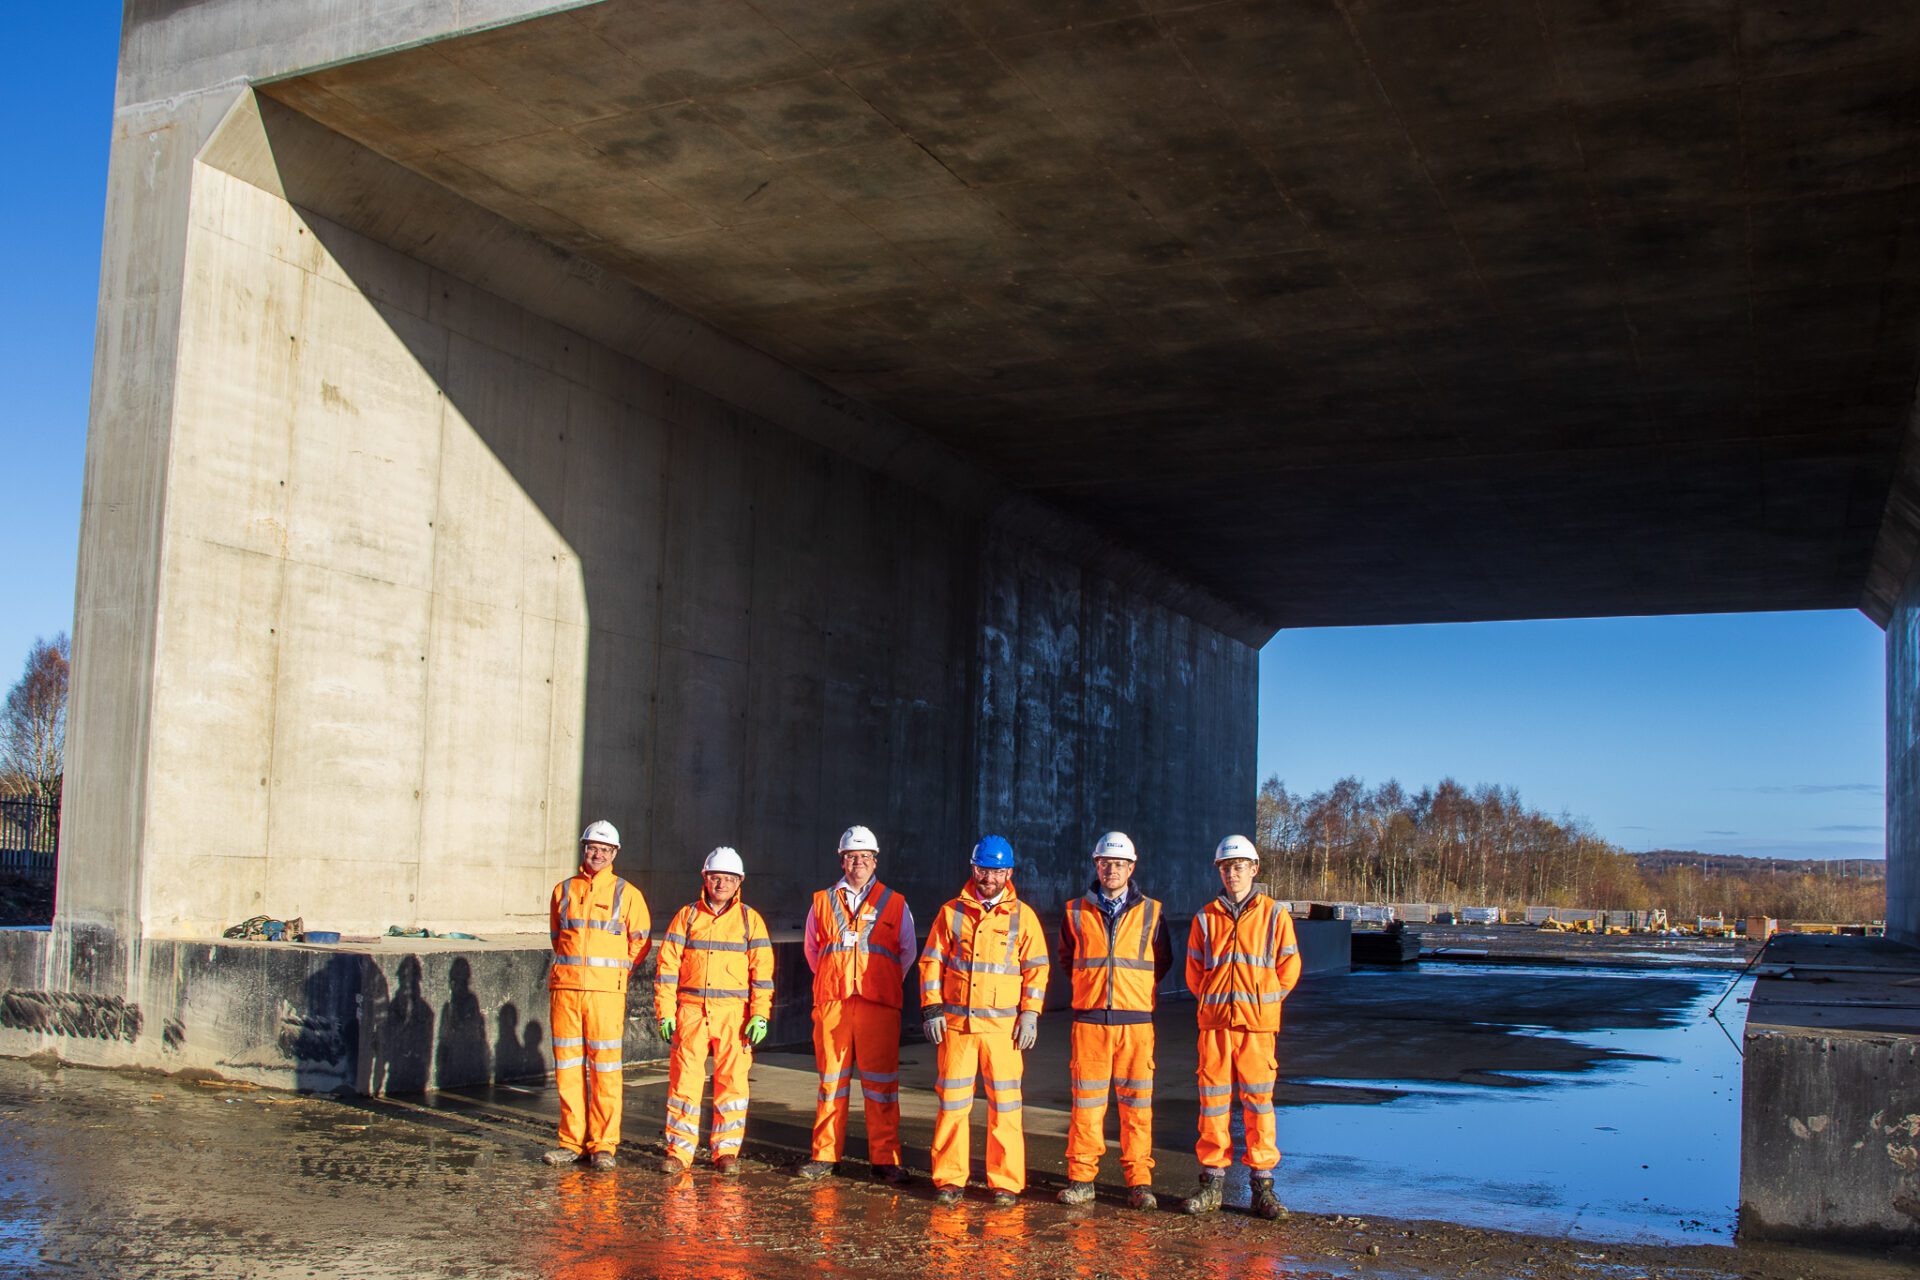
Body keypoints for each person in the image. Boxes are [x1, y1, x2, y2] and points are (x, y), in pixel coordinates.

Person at [917, 834, 1049, 1207]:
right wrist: (931, 1007)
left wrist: (1030, 1014)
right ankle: (949, 1179)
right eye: (981, 869)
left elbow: (1037, 968)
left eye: (994, 871)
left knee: (1005, 1107)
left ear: (1008, 872)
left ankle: (1005, 1182)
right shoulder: (951, 912)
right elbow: (931, 963)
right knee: (952, 1105)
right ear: (973, 868)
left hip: (1003, 1032)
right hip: (957, 1028)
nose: (987, 877)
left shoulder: (1023, 917)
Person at [1180, 834, 1302, 1219]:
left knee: (1258, 1105)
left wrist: (1262, 999)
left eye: (1239, 866)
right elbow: (1195, 973)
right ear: (1220, 871)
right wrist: (1218, 1000)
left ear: (1254, 869)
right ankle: (1212, 1183)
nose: (1232, 873)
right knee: (1212, 1106)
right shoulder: (1205, 916)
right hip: (1216, 1025)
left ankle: (1262, 1188)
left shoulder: (1274, 915)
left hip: (1257, 1028)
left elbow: (1289, 969)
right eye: (1226, 868)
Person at [1056, 831, 1172, 1209]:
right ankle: (1082, 1179)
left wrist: (1132, 993)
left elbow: (1162, 961)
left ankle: (1139, 1182)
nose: (1111, 869)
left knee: (1137, 1107)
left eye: (1118, 864)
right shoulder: (1075, 910)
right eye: (1105, 863)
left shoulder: (1152, 912)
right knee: (1086, 1107)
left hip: (1135, 1024)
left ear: (1131, 868)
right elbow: (1066, 958)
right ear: (1096, 865)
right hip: (1090, 1023)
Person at [796, 825, 917, 1183]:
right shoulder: (821, 901)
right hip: (834, 1003)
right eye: (851, 856)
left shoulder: (895, 903)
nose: (858, 862)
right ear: (842, 860)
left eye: (864, 857)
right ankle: (824, 1156)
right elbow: (812, 950)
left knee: (881, 1086)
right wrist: (834, 978)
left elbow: (906, 952)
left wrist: (879, 980)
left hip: (877, 1004)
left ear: (875, 860)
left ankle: (885, 1159)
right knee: (831, 1082)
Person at [653, 847, 774, 1175]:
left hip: (734, 1015)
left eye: (729, 879)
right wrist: (665, 1012)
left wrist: (760, 1015)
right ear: (705, 879)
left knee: (733, 1084)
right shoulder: (688, 916)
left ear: (740, 882)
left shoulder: (750, 920)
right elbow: (667, 967)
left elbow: (762, 974)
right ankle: (679, 1152)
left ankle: (727, 1151)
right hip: (691, 1012)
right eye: (716, 878)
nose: (722, 884)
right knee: (684, 1084)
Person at [543, 820, 652, 1170]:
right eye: (593, 847)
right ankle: (571, 1142)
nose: (598, 854)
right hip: (566, 991)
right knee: (569, 1069)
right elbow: (558, 936)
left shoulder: (628, 894)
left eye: (605, 850)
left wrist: (616, 972)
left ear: (615, 854)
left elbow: (641, 941)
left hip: (606, 994)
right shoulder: (563, 890)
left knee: (605, 1070)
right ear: (583, 848)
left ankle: (604, 1144)